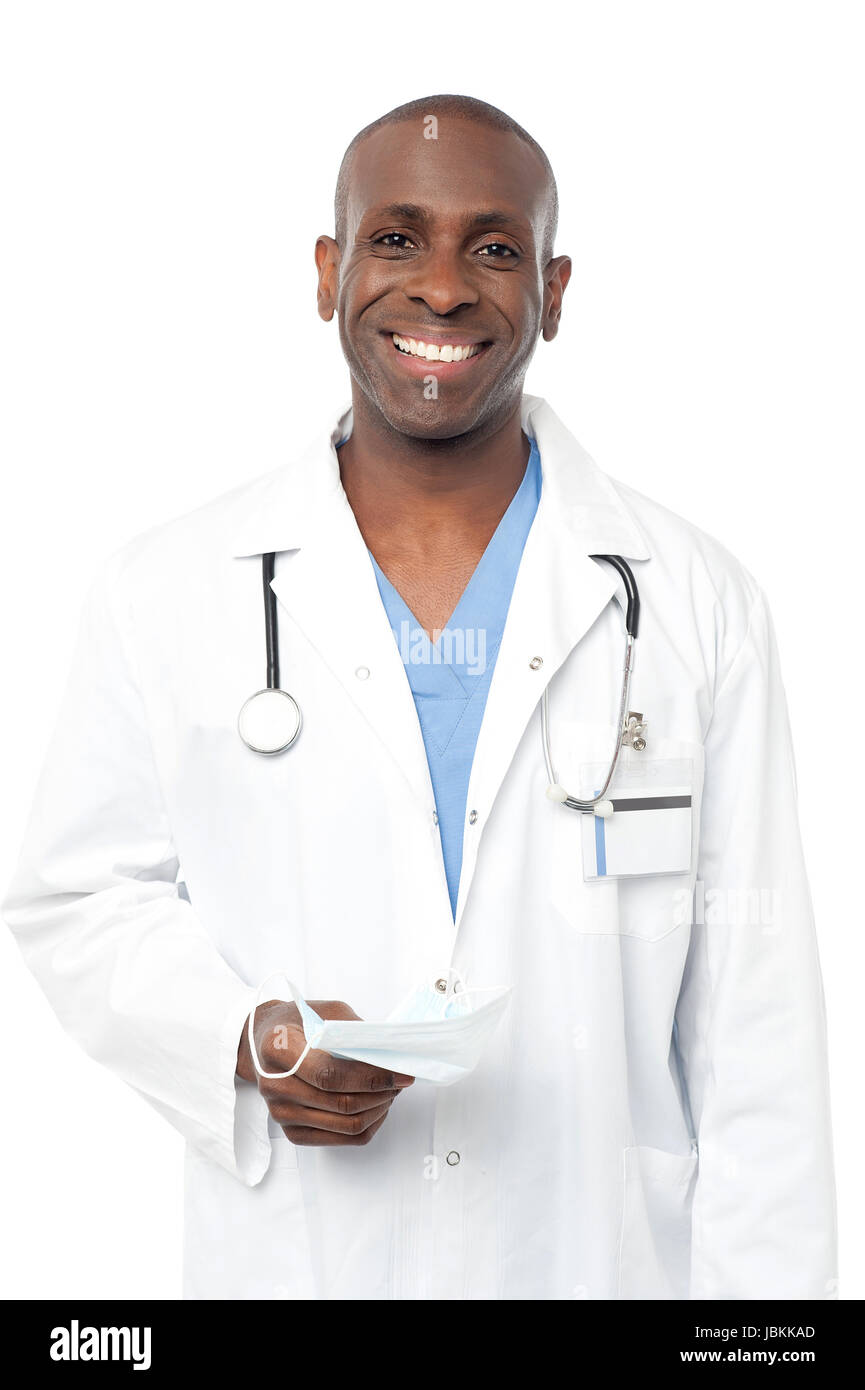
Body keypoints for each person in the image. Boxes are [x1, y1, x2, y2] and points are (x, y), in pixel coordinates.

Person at [2, 94, 837, 1301]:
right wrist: (249, 1037)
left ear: (553, 292)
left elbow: (758, 1026)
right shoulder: (168, 590)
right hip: (300, 1265)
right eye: (396, 239)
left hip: (594, 1267)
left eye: (492, 248)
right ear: (330, 270)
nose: (442, 289)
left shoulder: (697, 602)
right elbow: (73, 897)